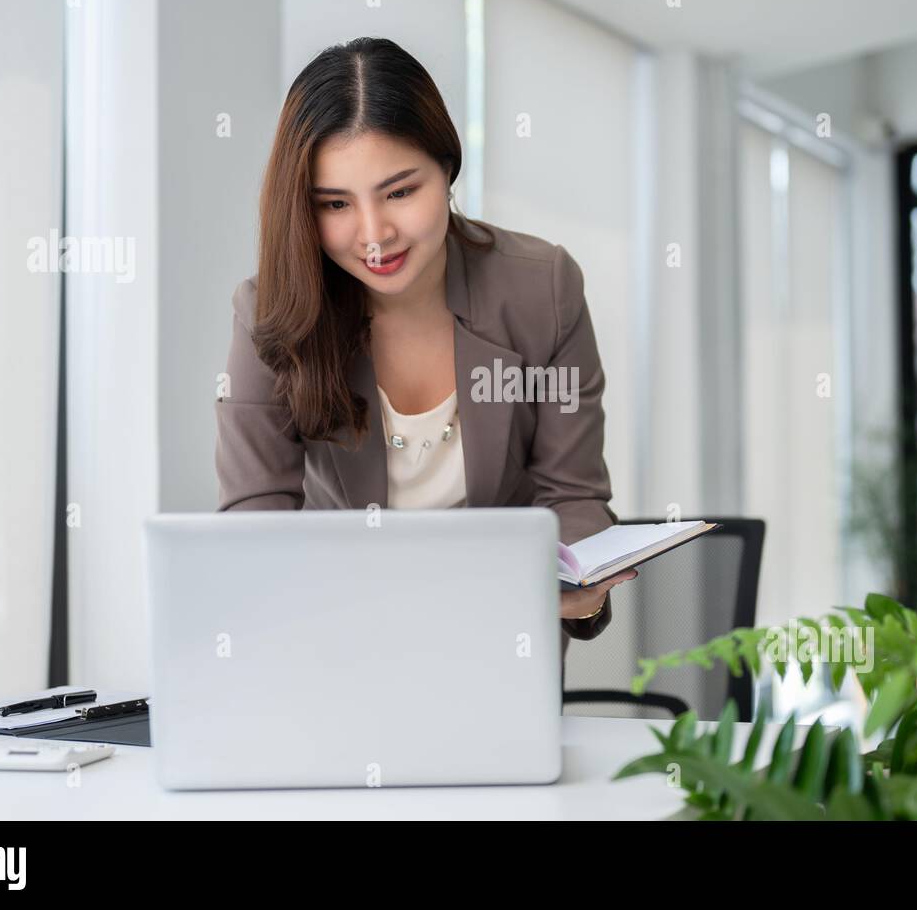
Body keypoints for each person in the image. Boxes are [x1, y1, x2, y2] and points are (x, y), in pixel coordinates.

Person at [215, 36, 635, 673]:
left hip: (499, 651)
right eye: (334, 204)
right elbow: (255, 518)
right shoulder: (268, 312)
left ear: (447, 168)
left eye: (400, 192)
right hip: (332, 652)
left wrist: (577, 578)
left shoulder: (542, 287)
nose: (374, 234)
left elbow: (571, 493)